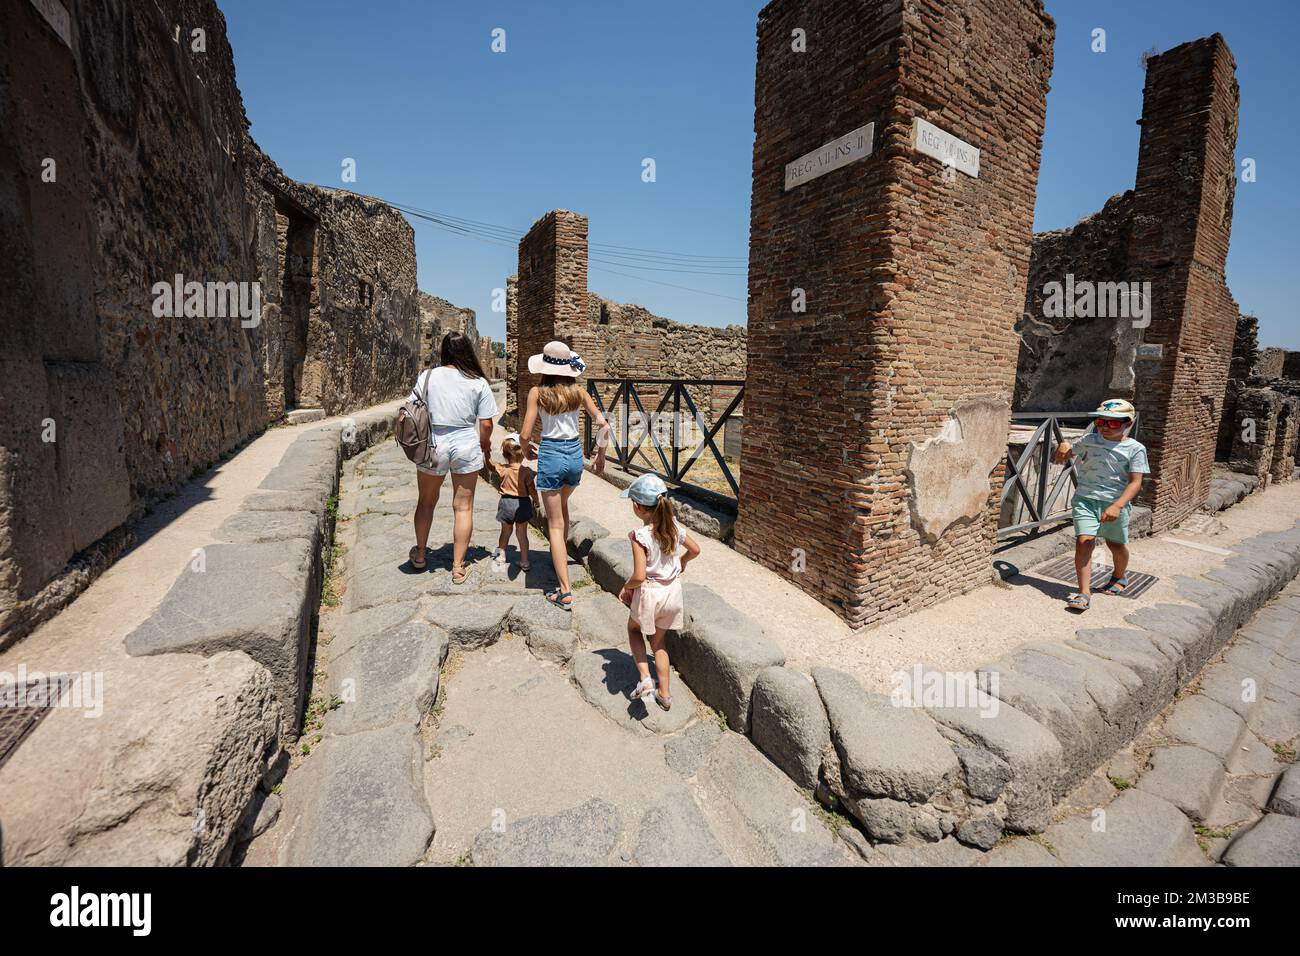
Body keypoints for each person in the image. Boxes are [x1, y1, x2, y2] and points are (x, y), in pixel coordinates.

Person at [518, 340, 610, 610]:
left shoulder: (537, 392)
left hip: (551, 454)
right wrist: (601, 454)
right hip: (574, 457)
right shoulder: (579, 393)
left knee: (555, 526)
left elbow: (525, 434)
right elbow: (603, 423)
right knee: (563, 506)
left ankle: (565, 591)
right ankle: (561, 558)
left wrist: (525, 451)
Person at [408, 332, 497, 584]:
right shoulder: (477, 382)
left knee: (426, 502)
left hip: (433, 443)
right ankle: (458, 566)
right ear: (468, 352)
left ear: (443, 351)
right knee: (464, 507)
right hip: (466, 445)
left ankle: (421, 554)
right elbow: (487, 425)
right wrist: (484, 447)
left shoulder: (427, 376)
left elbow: (410, 408)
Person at [1053, 398, 1149, 612]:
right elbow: (1068, 453)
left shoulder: (1135, 449)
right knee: (1084, 541)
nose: (1105, 427)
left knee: (1115, 545)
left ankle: (1119, 576)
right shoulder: (1089, 439)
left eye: (1113, 423)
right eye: (1101, 422)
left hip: (1115, 503)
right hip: (1085, 499)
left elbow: (1136, 482)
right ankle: (1083, 593)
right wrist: (1064, 445)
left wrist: (1118, 506)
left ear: (1128, 423)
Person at [617, 474, 700, 712]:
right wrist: (683, 561)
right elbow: (696, 549)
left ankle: (645, 678)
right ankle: (665, 695)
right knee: (659, 642)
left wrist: (627, 587)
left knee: (633, 630)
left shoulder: (639, 536)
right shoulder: (673, 527)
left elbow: (639, 575)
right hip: (672, 594)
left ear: (638, 507)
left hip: (650, 594)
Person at [490, 433, 538, 571]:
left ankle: (501, 556)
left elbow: (491, 466)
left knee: (505, 532)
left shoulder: (503, 468)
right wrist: (536, 501)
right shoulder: (527, 472)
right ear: (523, 454)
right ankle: (524, 561)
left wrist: (487, 452)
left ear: (505, 454)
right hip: (523, 504)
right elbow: (532, 490)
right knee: (522, 534)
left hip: (506, 503)